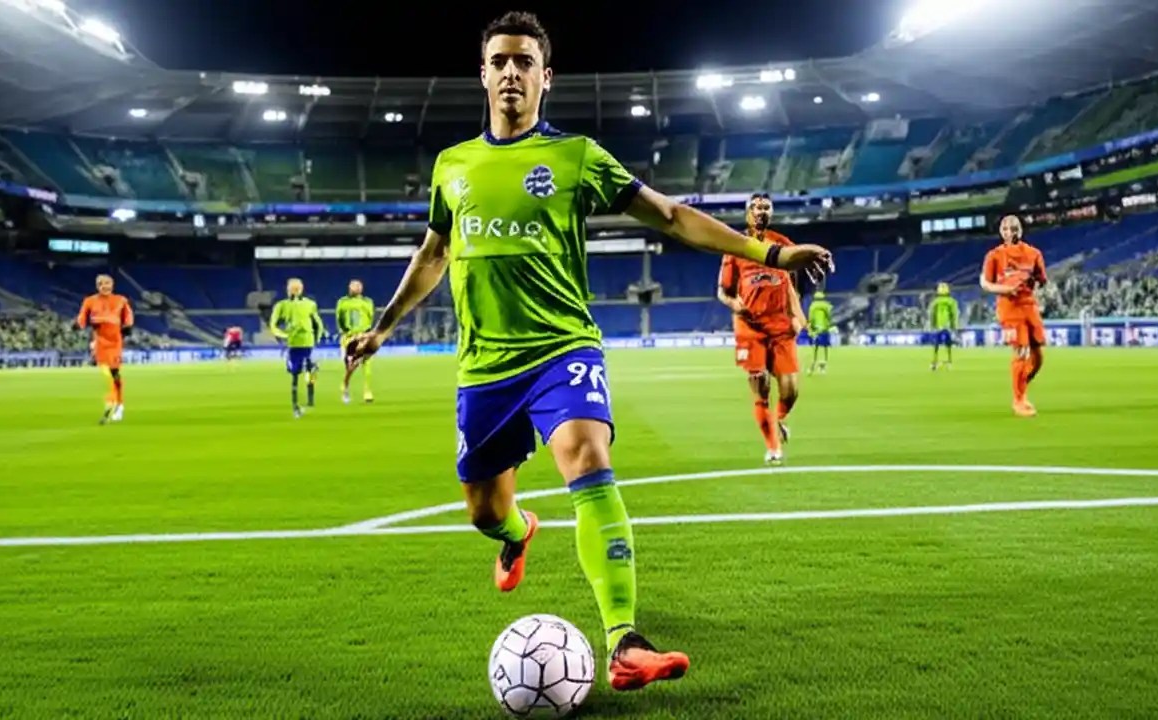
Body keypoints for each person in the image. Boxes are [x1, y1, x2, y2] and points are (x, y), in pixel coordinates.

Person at [344, 11, 832, 692]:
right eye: (499, 61)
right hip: (484, 367)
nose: (511, 72)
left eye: (524, 62)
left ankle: (623, 639)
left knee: (586, 453)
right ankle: (518, 533)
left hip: (562, 347)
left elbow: (668, 214)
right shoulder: (452, 166)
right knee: (485, 511)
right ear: (482, 73)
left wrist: (770, 252)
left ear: (546, 77)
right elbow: (434, 253)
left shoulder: (575, 157)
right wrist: (382, 326)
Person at [717, 193, 807, 466]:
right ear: (748, 213)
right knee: (761, 385)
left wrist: (797, 315)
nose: (760, 211)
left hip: (780, 326)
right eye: (755, 207)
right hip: (750, 328)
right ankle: (773, 448)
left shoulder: (782, 244)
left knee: (790, 390)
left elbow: (790, 282)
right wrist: (734, 303)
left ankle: (778, 419)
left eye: (765, 207)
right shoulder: (736, 247)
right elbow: (722, 291)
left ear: (771, 213)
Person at [980, 215, 1047, 416]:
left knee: (1038, 356)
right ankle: (1019, 400)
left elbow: (1042, 280)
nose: (1011, 232)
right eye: (1007, 228)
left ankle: (1022, 382)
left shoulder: (1034, 254)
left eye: (1014, 228)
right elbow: (985, 283)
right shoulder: (994, 256)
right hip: (1009, 307)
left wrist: (1035, 286)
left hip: (1029, 306)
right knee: (1021, 351)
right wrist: (1005, 289)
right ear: (1001, 232)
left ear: (1021, 230)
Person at [76, 274, 133, 424]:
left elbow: (128, 315)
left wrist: (128, 326)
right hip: (100, 343)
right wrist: (79, 325)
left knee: (114, 375)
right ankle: (115, 403)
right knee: (110, 376)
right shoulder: (89, 301)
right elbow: (82, 316)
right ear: (97, 286)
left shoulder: (121, 300)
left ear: (112, 285)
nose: (105, 286)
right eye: (101, 284)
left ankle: (116, 405)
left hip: (115, 343)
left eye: (107, 283)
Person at [269, 278, 325, 418]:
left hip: (294, 343)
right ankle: (310, 399)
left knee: (295, 374)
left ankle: (295, 406)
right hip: (307, 342)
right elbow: (319, 324)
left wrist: (284, 335)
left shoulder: (281, 305)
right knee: (309, 370)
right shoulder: (310, 304)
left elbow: (273, 325)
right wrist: (317, 339)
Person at [336, 279, 376, 404]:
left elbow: (370, 318)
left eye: (358, 286)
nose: (356, 288)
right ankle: (345, 388)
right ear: (349, 288)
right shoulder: (342, 302)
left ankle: (367, 391)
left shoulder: (368, 302)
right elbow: (339, 319)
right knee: (350, 366)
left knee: (367, 364)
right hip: (349, 337)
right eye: (354, 286)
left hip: (363, 336)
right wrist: (346, 332)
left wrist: (364, 333)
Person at [927, 283, 959, 371]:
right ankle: (949, 362)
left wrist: (932, 324)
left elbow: (932, 314)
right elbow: (954, 314)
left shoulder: (935, 301)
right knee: (948, 345)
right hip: (948, 326)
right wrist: (954, 326)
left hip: (938, 326)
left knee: (936, 345)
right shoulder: (952, 301)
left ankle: (934, 362)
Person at [807, 290, 833, 374]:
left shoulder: (812, 306)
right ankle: (824, 364)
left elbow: (810, 318)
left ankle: (813, 363)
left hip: (816, 330)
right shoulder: (826, 306)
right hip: (824, 329)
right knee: (825, 347)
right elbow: (829, 317)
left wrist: (810, 327)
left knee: (815, 347)